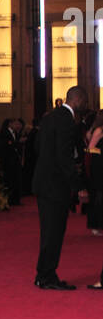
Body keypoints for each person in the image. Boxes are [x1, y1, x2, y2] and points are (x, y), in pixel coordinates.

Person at [32, 84, 88, 290]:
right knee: (54, 232)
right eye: (85, 100)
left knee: (48, 231)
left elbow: (38, 147)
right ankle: (47, 276)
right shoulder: (67, 121)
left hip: (44, 182)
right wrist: (78, 185)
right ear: (78, 100)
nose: (86, 104)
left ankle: (43, 274)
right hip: (55, 185)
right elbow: (64, 156)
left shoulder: (49, 117)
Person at [84, 110, 103, 236]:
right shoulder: (99, 130)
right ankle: (96, 225)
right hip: (99, 166)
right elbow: (90, 149)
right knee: (98, 195)